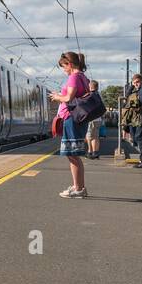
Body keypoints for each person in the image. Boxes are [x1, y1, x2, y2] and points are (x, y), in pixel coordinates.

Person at [50, 51, 90, 198]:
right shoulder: (83, 77)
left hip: (71, 119)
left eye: (64, 66)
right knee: (74, 155)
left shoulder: (74, 77)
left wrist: (57, 97)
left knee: (72, 155)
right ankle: (78, 186)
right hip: (76, 119)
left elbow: (68, 98)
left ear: (70, 64)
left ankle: (78, 189)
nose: (64, 70)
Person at [84, 80, 103, 159]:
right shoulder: (99, 95)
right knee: (96, 136)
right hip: (98, 119)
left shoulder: (90, 95)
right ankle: (96, 153)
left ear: (90, 86)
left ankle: (90, 152)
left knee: (89, 137)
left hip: (91, 120)